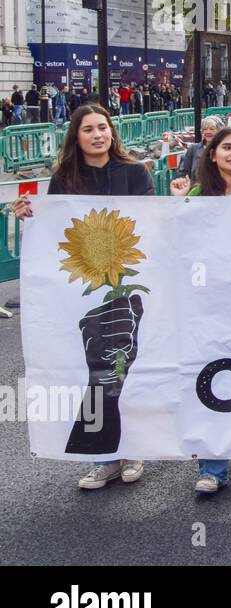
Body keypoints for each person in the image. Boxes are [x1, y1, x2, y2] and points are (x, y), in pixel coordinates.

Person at [10, 104, 154, 490]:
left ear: (112, 132)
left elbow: (153, 223)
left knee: (128, 369)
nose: (97, 134)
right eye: (88, 129)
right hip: (84, 289)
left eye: (103, 127)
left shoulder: (135, 173)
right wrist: (31, 215)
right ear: (76, 136)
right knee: (92, 373)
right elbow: (57, 228)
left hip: (128, 285)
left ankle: (133, 445)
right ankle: (103, 457)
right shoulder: (64, 178)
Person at [168, 126, 231, 493]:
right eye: (226, 148)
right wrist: (179, 206)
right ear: (212, 154)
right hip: (208, 302)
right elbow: (178, 245)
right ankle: (213, 467)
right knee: (210, 374)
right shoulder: (197, 195)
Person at [179, 116, 226, 180]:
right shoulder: (193, 149)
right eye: (205, 129)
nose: (208, 132)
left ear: (219, 131)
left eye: (212, 129)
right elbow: (183, 173)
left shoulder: (225, 150)